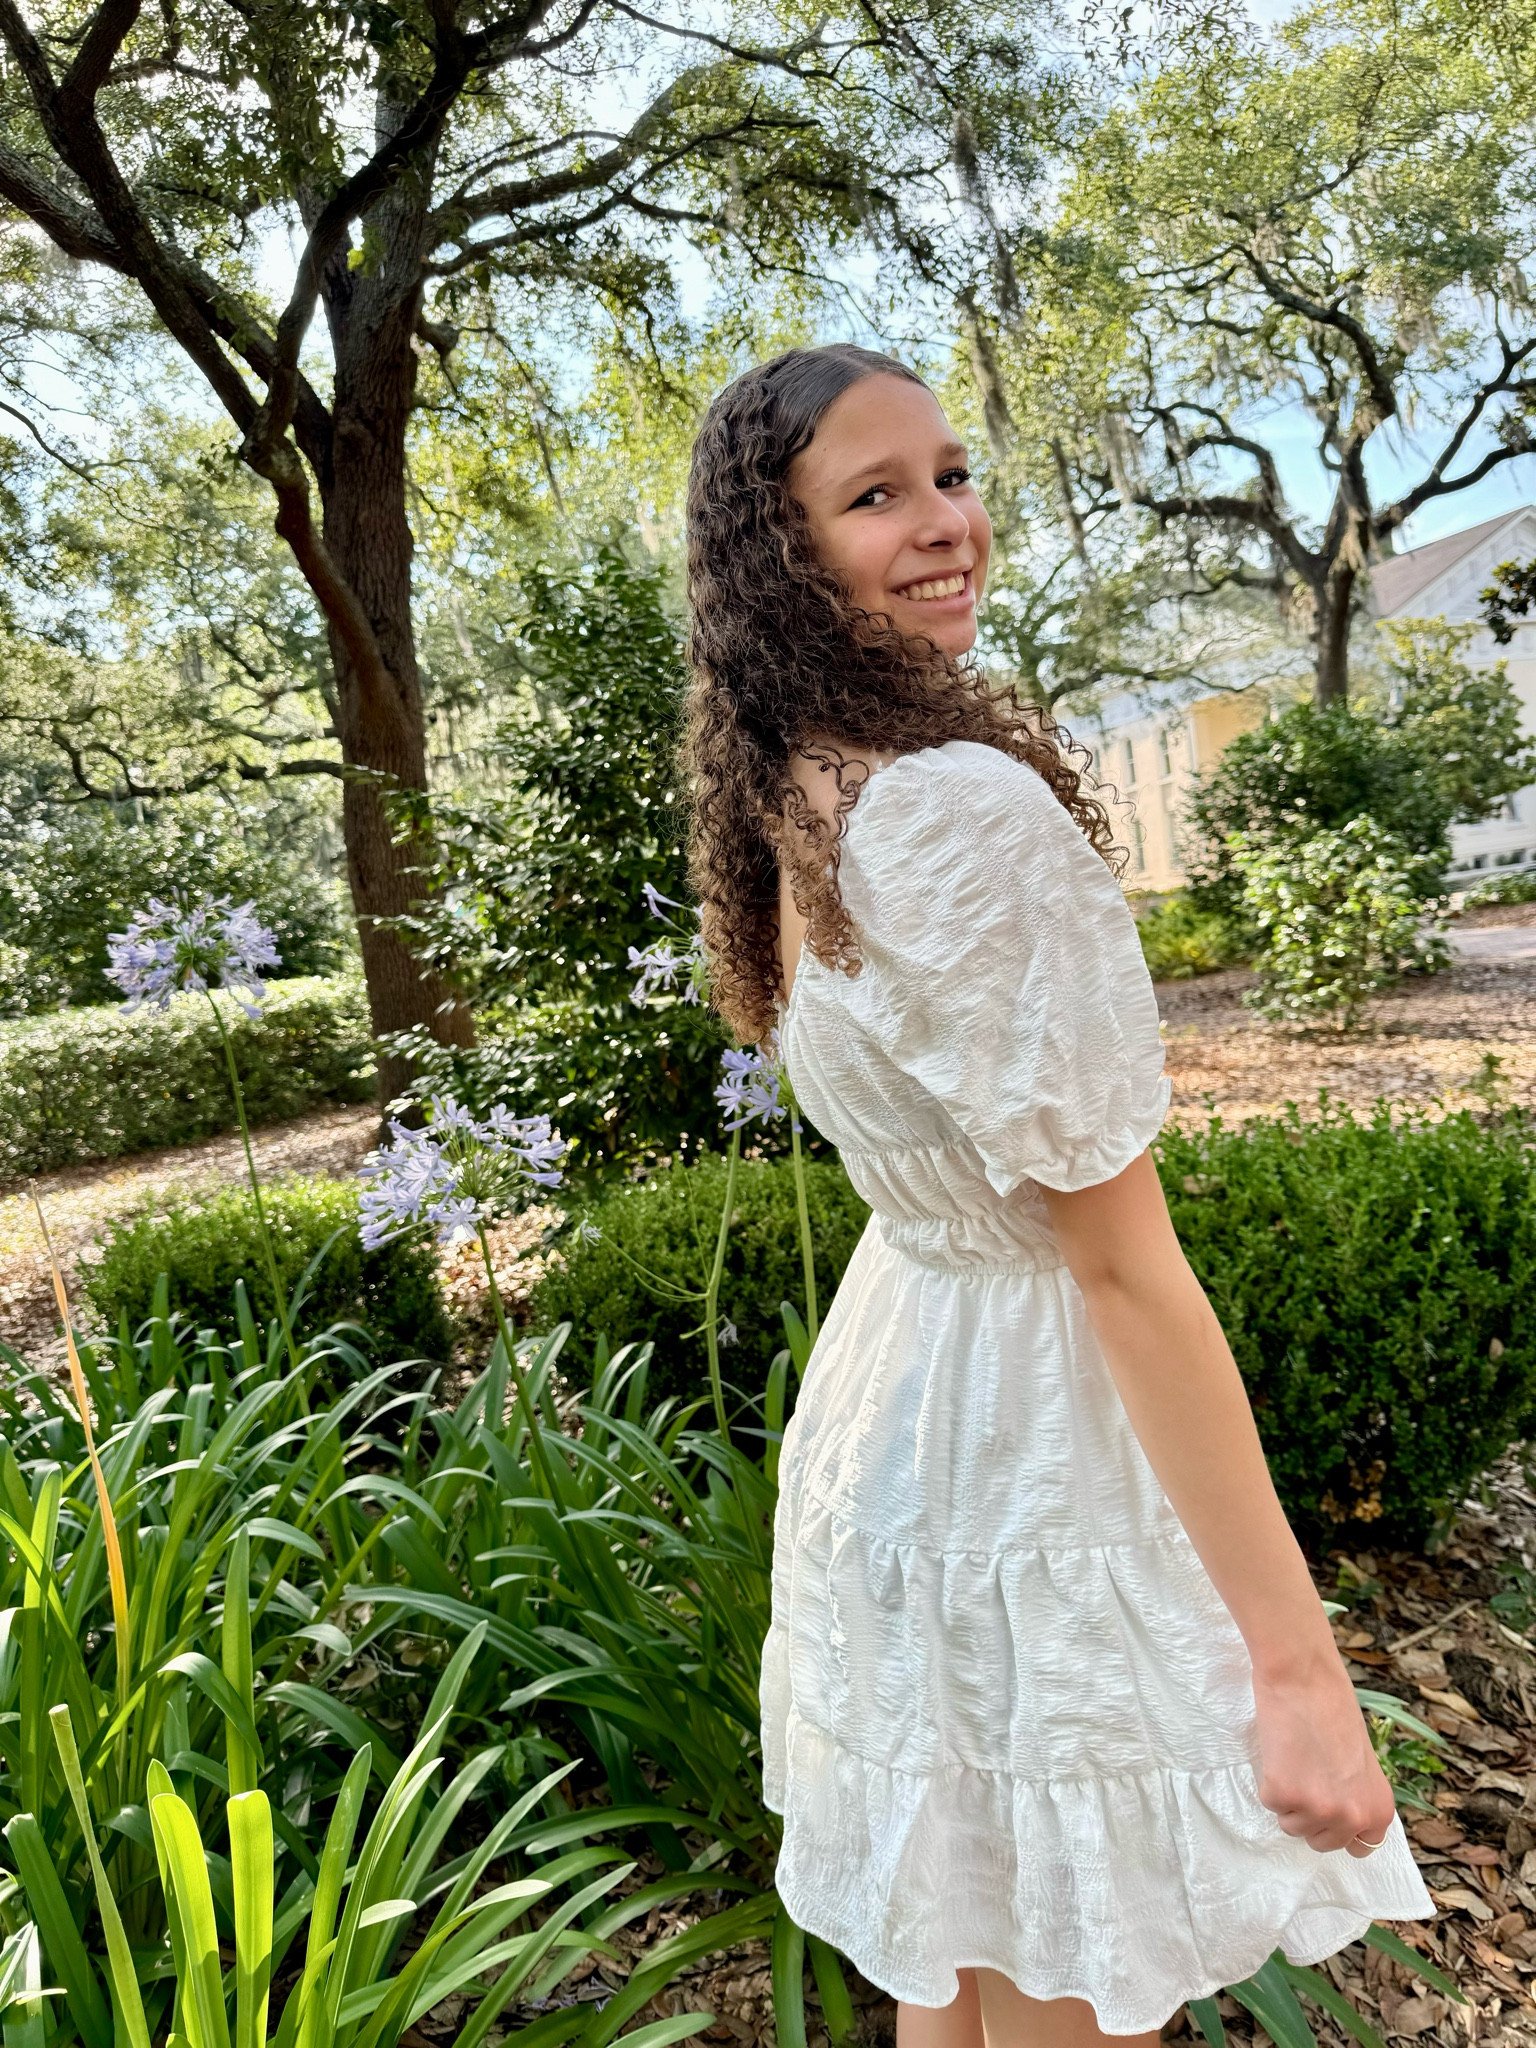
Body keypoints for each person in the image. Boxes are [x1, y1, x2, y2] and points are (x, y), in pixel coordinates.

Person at [680, 344, 1433, 2046]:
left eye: (952, 474)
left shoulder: (804, 794)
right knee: (1057, 1966)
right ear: (781, 553)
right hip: (1032, 1444)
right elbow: (1119, 1270)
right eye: (875, 495)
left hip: (909, 1426)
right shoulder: (951, 811)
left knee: (970, 1958)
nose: (946, 522)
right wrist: (1297, 1668)